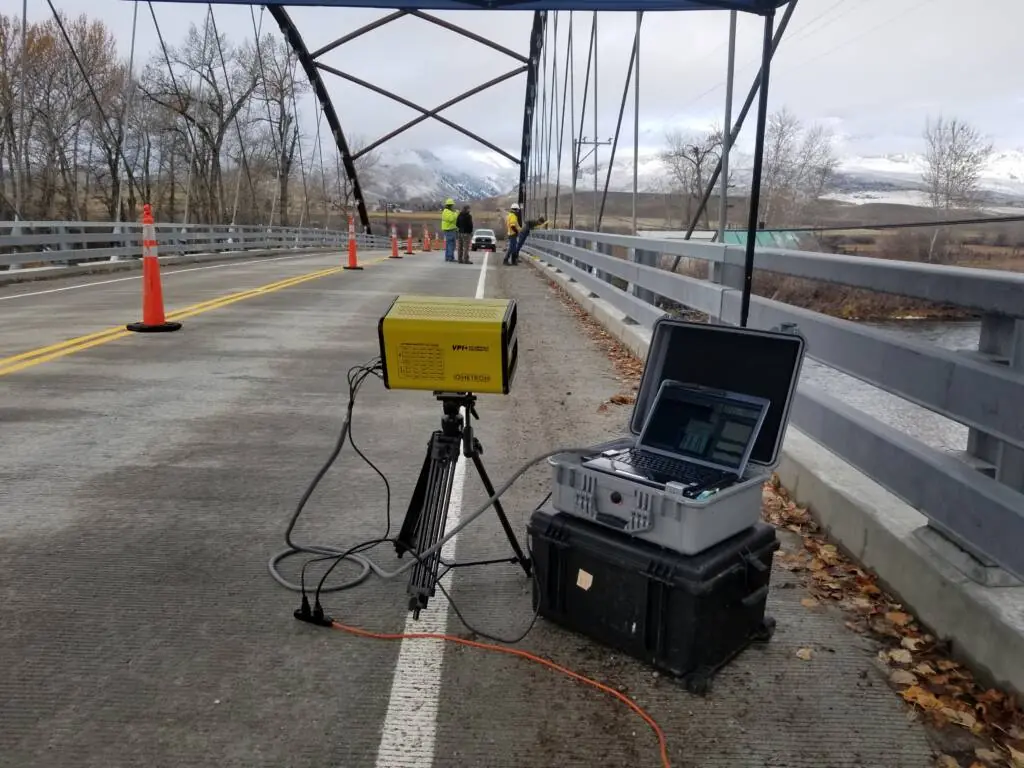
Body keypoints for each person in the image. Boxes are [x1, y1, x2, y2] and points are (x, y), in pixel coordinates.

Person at [440, 198, 458, 262]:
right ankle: (450, 257)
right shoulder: (447, 212)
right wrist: (456, 213)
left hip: (449, 229)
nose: (453, 206)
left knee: (449, 244)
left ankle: (448, 257)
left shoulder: (447, 211)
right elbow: (451, 219)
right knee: (451, 244)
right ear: (450, 205)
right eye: (452, 205)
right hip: (450, 229)